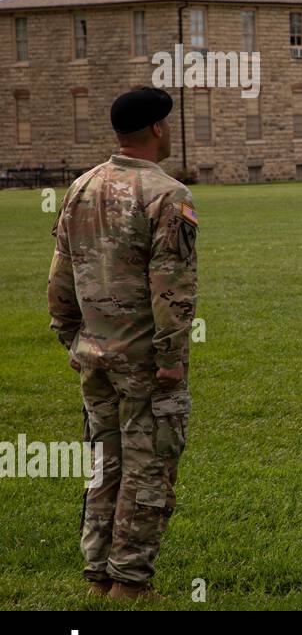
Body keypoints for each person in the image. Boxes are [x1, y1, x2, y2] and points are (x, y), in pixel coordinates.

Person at [47, 86, 198, 600]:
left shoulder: (81, 187)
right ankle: (130, 584)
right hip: (146, 362)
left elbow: (60, 279)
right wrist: (172, 360)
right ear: (157, 129)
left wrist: (73, 338)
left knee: (105, 463)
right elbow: (171, 287)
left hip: (95, 357)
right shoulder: (166, 194)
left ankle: (98, 574)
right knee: (148, 466)